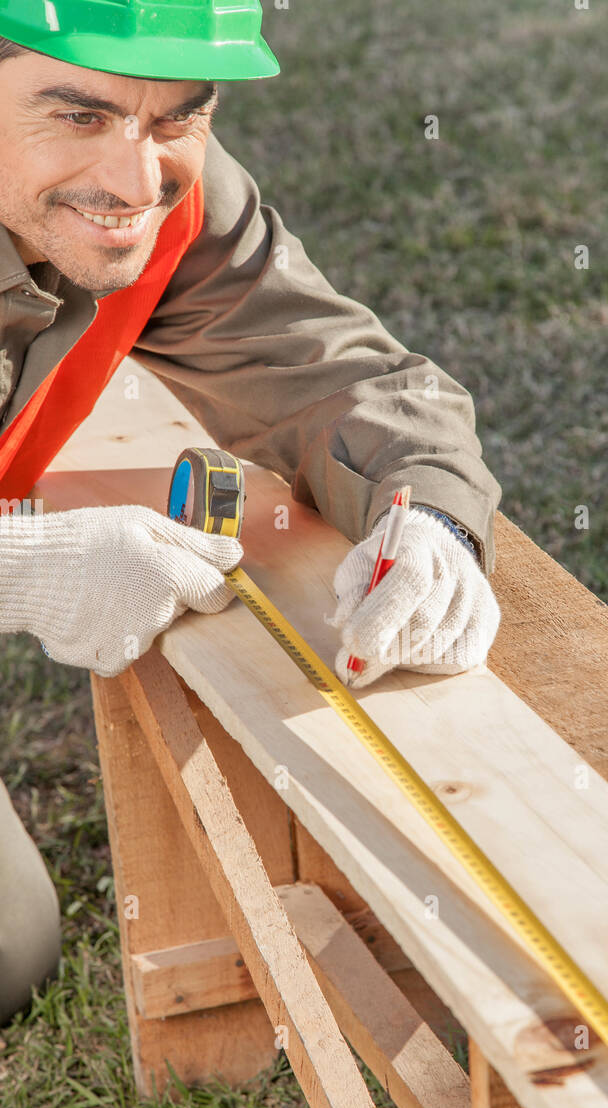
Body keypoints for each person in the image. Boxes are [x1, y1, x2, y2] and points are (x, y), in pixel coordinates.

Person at [0, 1, 502, 1024]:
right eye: (81, 116)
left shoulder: (163, 201)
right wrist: (24, 568)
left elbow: (335, 378)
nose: (135, 186)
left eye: (177, 118)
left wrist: (433, 518)